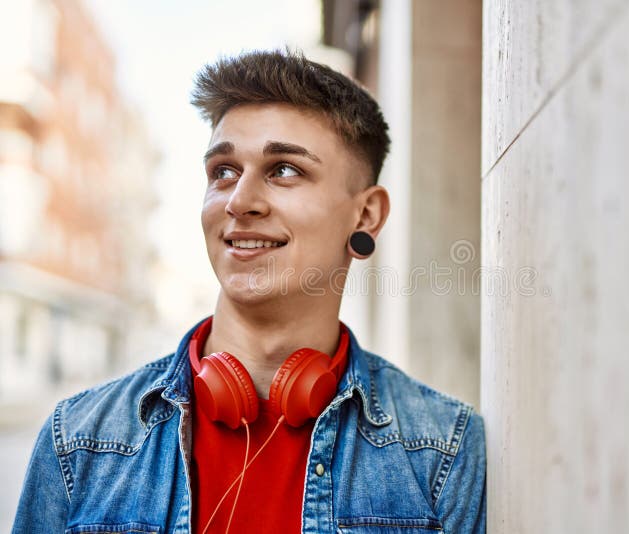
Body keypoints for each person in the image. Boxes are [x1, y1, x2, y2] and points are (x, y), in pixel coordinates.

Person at [12, 49, 486, 534]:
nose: (239, 201)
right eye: (223, 170)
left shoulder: (441, 449)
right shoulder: (79, 439)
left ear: (365, 216)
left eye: (284, 169)